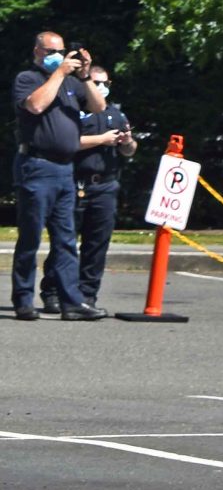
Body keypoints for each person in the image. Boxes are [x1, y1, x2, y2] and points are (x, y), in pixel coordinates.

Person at [13, 31, 111, 321]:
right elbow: (36, 105)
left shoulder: (71, 83)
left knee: (66, 239)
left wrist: (84, 77)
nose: (57, 54)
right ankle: (23, 299)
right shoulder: (28, 78)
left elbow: (98, 106)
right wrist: (57, 73)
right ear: (37, 51)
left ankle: (72, 302)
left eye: (61, 50)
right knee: (31, 236)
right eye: (50, 50)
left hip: (65, 168)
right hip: (36, 166)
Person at [57, 61, 136, 314]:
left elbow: (129, 150)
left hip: (105, 185)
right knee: (65, 243)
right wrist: (101, 140)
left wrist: (126, 142)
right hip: (75, 182)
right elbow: (66, 142)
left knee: (97, 244)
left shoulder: (115, 114)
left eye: (105, 83)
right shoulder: (73, 111)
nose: (101, 87)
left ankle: (87, 295)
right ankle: (53, 292)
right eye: (96, 82)